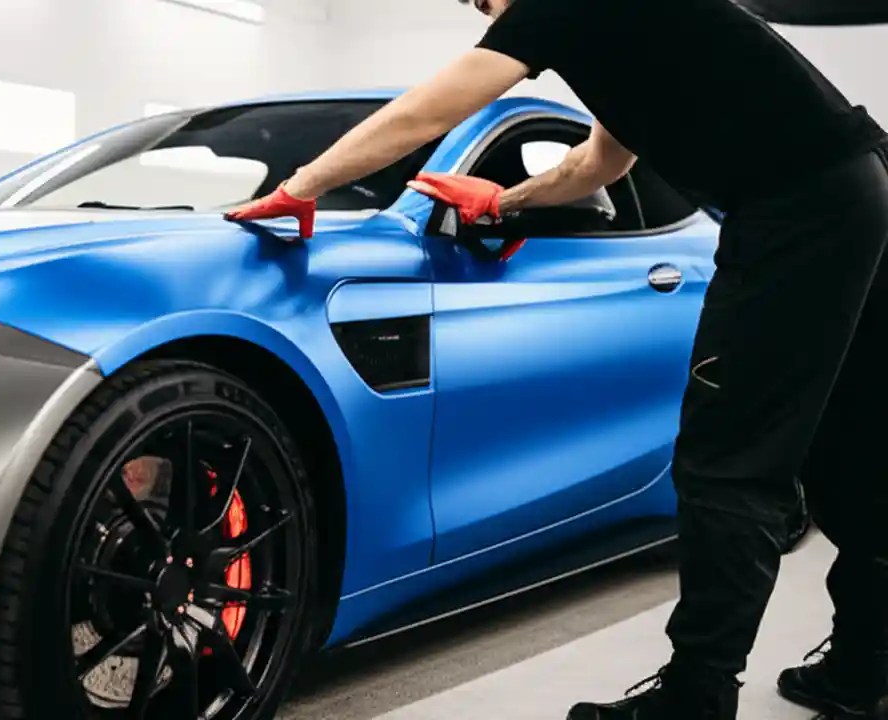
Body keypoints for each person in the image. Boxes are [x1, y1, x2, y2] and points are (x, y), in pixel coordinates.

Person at [223, 0, 888, 717]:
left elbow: (427, 112)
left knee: (727, 465)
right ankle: (866, 669)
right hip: (862, 186)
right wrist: (503, 203)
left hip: (798, 208)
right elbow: (596, 164)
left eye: (483, 1)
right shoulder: (624, 29)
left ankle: (695, 698)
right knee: (848, 445)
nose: (486, 13)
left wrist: (299, 187)